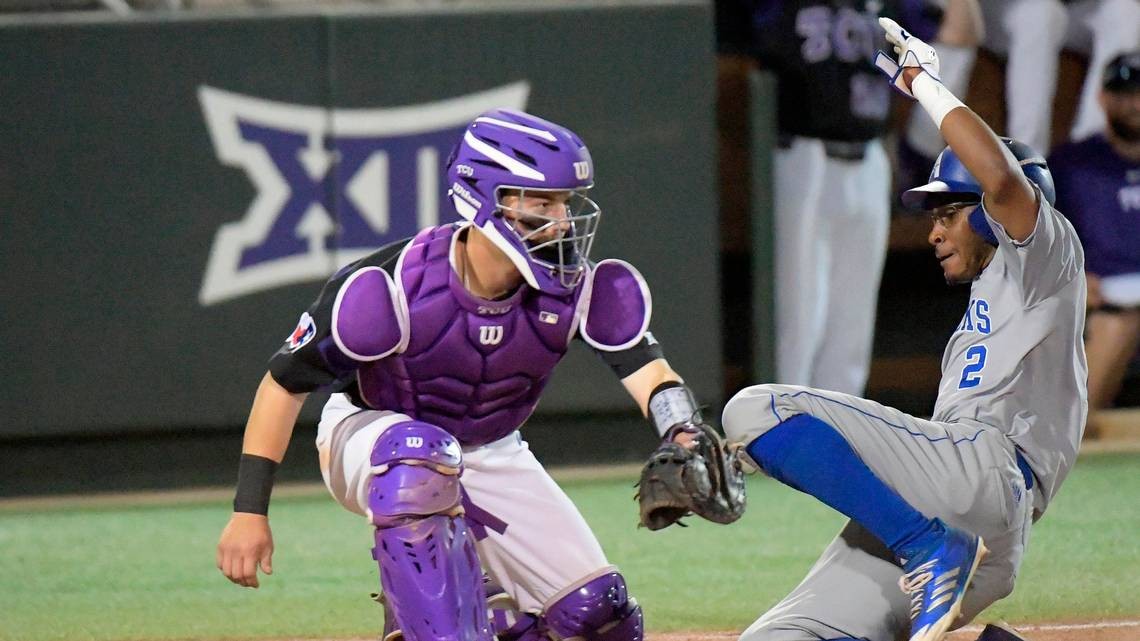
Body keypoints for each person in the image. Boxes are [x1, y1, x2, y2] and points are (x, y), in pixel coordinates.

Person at [215, 109, 713, 641]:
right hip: (373, 432)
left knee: (600, 617)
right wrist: (250, 512)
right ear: (486, 199)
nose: (562, 221)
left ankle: (478, 614)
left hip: (489, 445)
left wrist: (682, 432)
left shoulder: (580, 284)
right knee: (418, 455)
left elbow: (646, 370)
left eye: (565, 204)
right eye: (542, 202)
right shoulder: (391, 284)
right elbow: (283, 384)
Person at [719, 18, 1087, 641]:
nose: (935, 230)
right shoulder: (990, 312)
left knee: (755, 408)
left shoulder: (1045, 256)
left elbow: (1001, 180)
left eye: (950, 211)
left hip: (980, 480)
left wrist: (921, 83)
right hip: (976, 524)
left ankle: (928, 548)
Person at [718, 0, 897, 396]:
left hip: (869, 152)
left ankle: (842, 432)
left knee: (852, 325)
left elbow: (942, 32)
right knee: (798, 319)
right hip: (803, 152)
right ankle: (781, 430)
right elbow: (751, 40)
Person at [1049, 50, 1140, 433]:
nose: (1135, 104)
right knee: (1116, 326)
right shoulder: (1070, 165)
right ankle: (1070, 442)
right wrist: (1078, 279)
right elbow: (1041, 243)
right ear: (1102, 99)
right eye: (1124, 93)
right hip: (1102, 303)